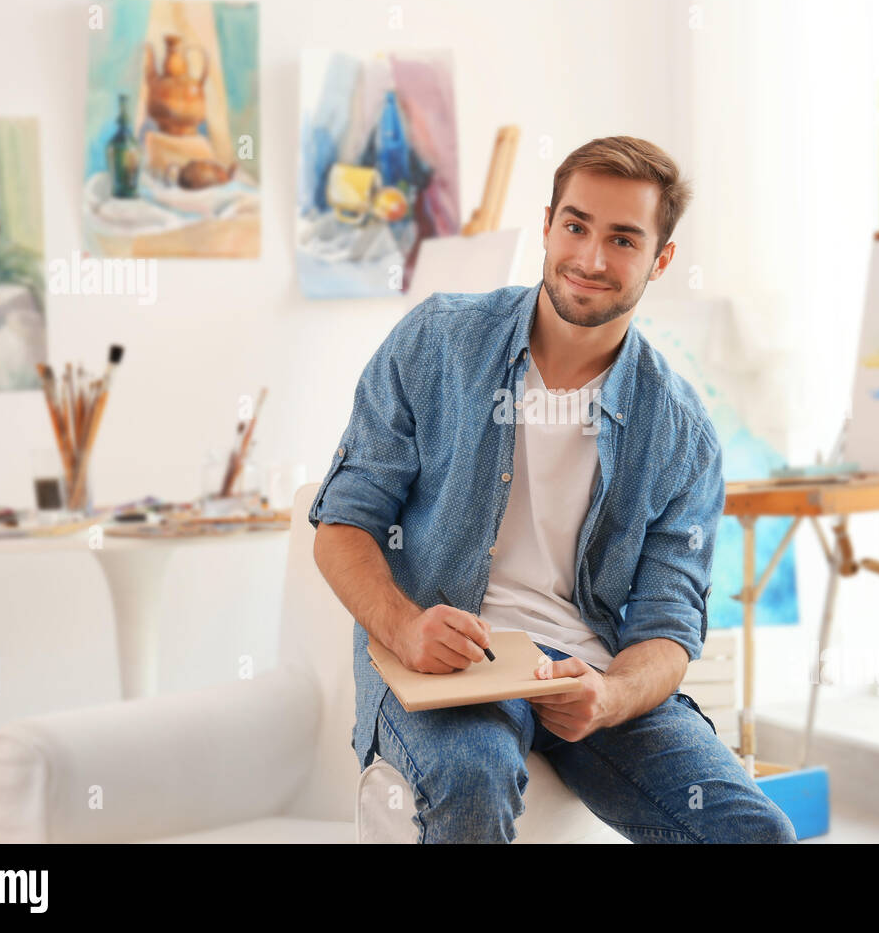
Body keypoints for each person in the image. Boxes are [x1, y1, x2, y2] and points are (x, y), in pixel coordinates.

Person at [310, 135, 797, 844]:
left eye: (624, 239)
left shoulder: (682, 431)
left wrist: (612, 695)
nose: (592, 259)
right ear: (546, 226)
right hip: (449, 668)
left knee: (758, 833)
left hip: (585, 675)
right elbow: (343, 525)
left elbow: (668, 626)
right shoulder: (437, 342)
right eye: (576, 226)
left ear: (660, 259)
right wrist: (406, 627)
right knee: (470, 780)